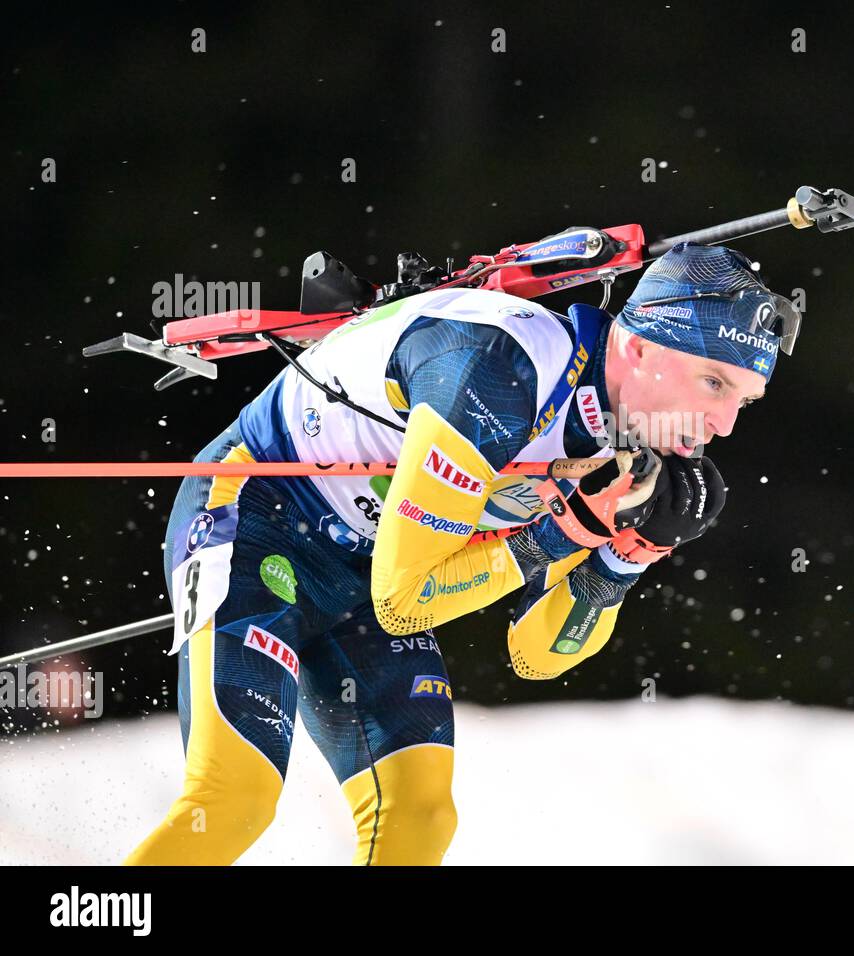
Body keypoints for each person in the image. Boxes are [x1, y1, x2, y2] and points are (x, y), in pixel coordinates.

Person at [124, 240, 796, 865]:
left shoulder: (613, 444)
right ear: (641, 350)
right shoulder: (497, 371)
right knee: (232, 801)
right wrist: (568, 532)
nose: (724, 424)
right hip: (258, 518)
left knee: (419, 816)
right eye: (714, 384)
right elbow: (403, 601)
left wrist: (622, 558)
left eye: (746, 399)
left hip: (365, 567)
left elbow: (535, 656)